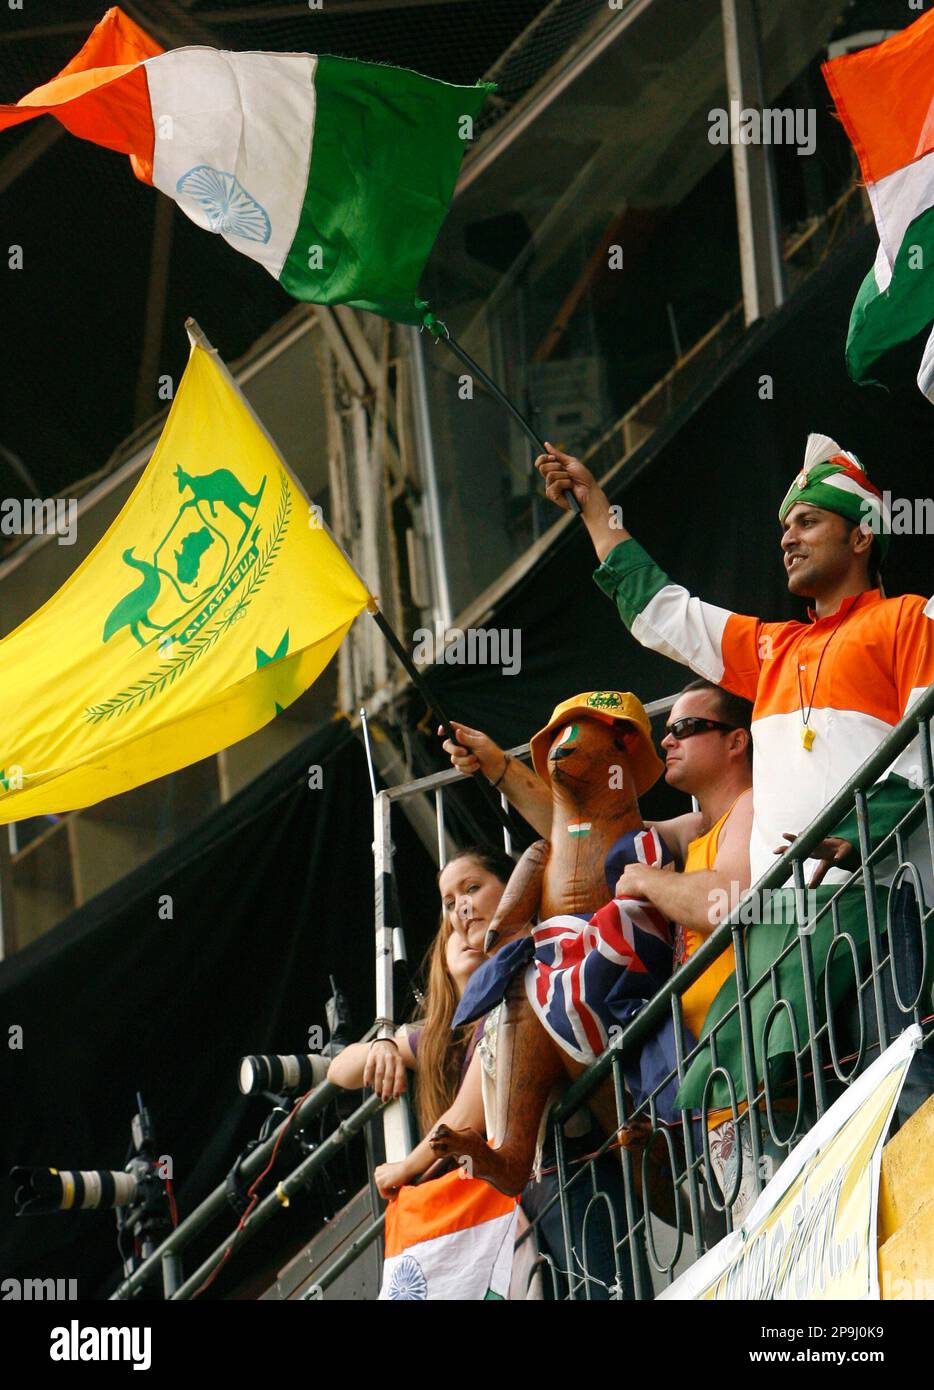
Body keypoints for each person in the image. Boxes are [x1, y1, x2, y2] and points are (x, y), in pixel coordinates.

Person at [534, 432, 934, 1126]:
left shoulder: (909, 620)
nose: (788, 538)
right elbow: (664, 613)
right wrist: (597, 508)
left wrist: (860, 833)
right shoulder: (774, 648)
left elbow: (925, 754)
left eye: (807, 521)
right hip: (779, 923)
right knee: (790, 1112)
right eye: (784, 527)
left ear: (863, 536)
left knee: (903, 1080)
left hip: (881, 900)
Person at [328, 844, 514, 1158]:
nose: (464, 912)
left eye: (472, 889)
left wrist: (407, 1168)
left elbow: (464, 1120)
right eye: (450, 905)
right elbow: (338, 1069)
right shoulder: (438, 1036)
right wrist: (381, 1045)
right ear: (440, 958)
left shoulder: (511, 992)